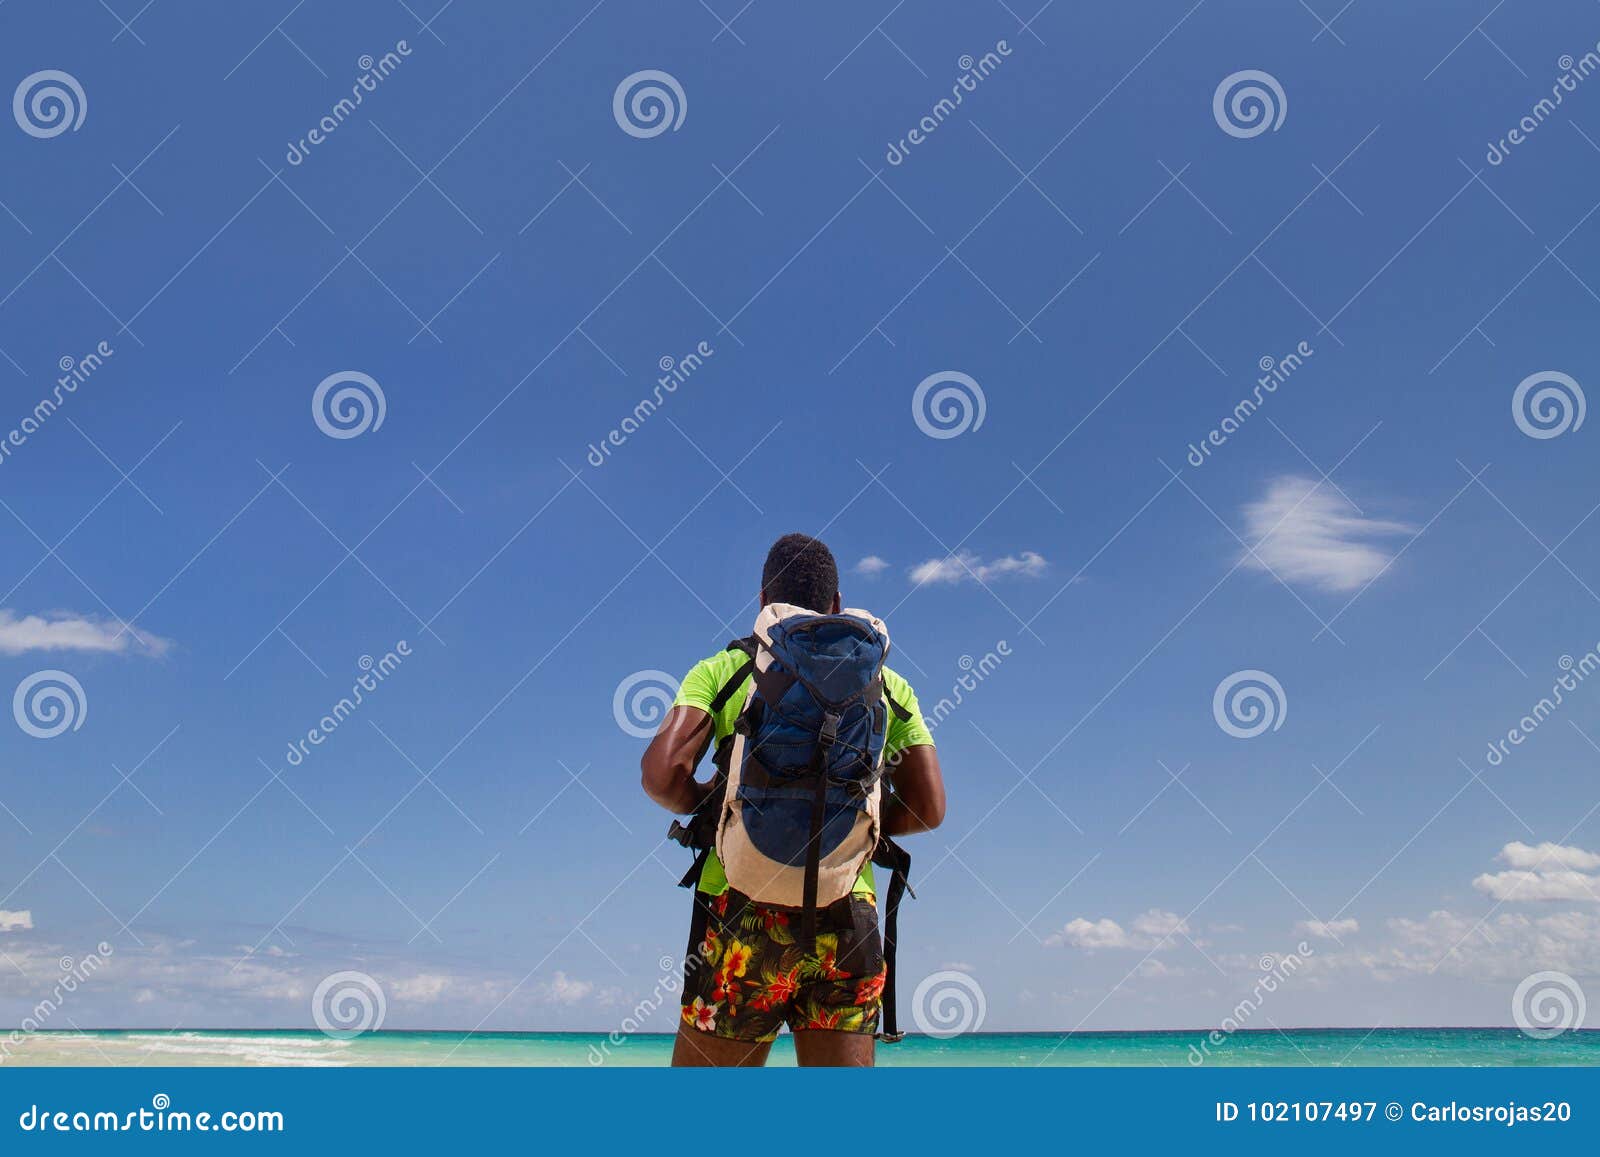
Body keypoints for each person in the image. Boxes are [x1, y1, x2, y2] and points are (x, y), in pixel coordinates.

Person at [642, 533, 946, 1067]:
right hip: (848, 914)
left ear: (763, 602)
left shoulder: (729, 669)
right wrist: (862, 823)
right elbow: (930, 807)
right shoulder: (885, 682)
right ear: (836, 605)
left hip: (740, 911)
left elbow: (662, 776)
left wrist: (713, 804)